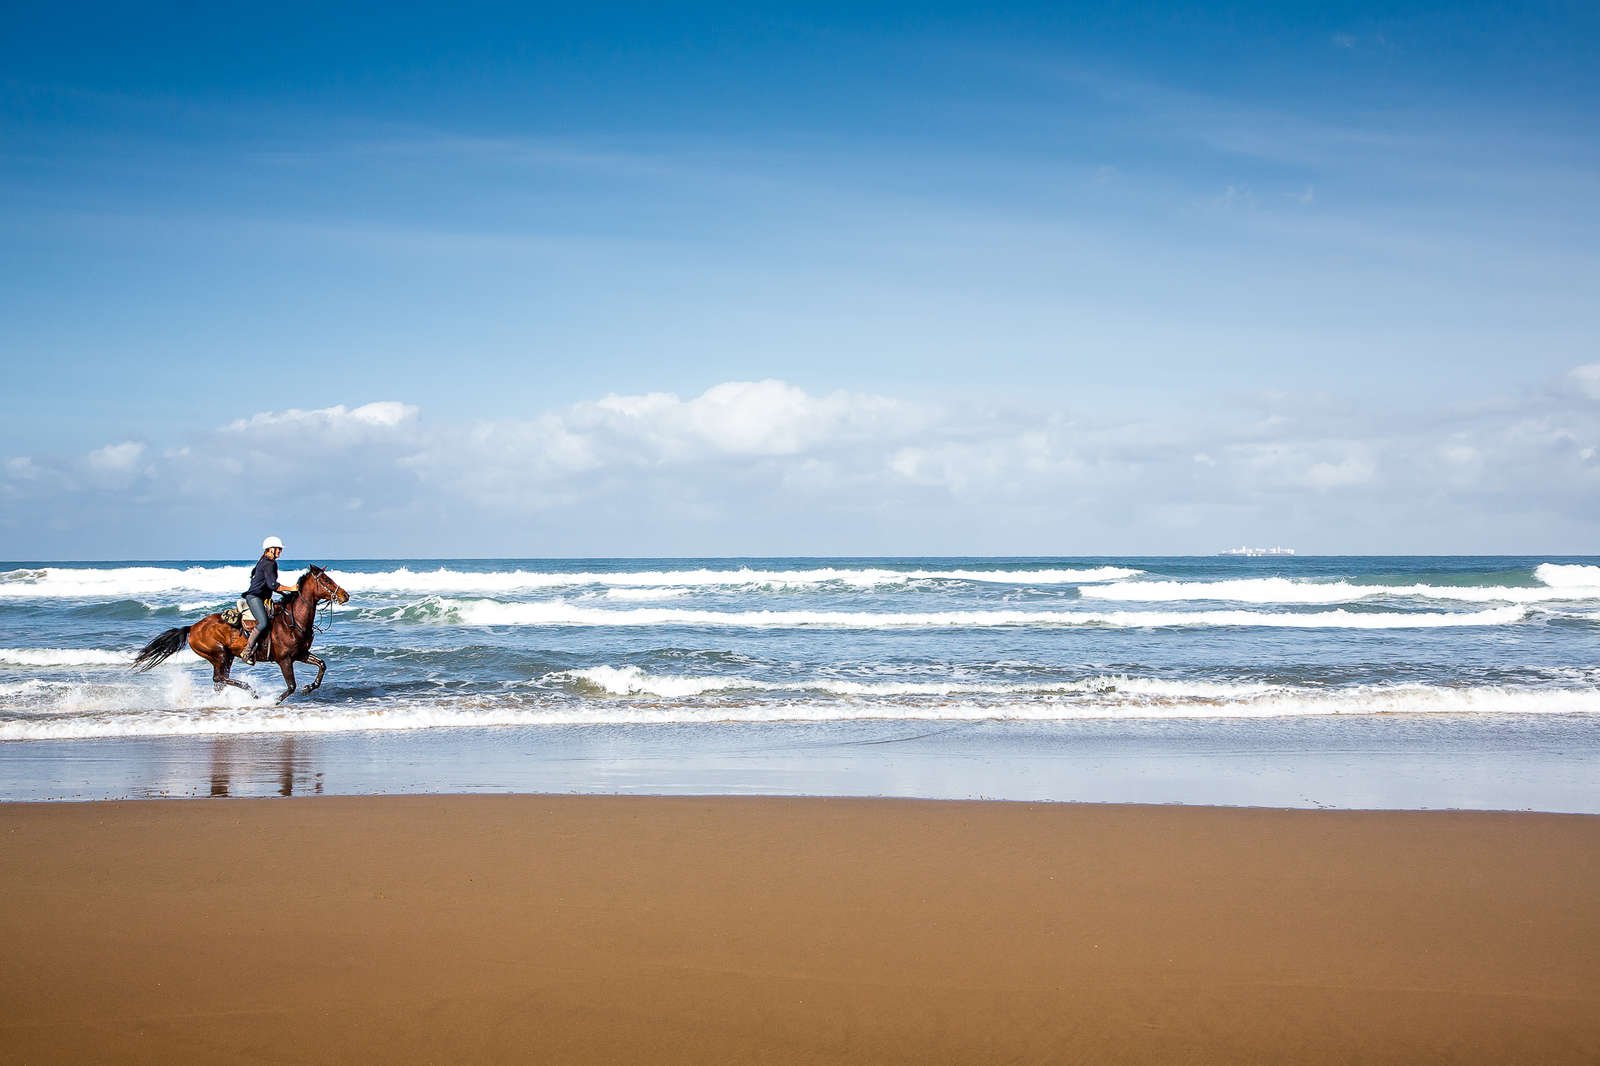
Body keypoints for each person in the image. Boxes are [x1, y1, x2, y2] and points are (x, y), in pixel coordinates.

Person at [242, 536, 295, 664]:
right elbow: (272, 585)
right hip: (255, 597)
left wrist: (286, 592)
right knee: (263, 623)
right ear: (271, 549)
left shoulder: (269, 563)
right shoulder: (268, 563)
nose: (280, 552)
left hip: (262, 598)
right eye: (279, 549)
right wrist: (291, 588)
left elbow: (271, 585)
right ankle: (247, 651)